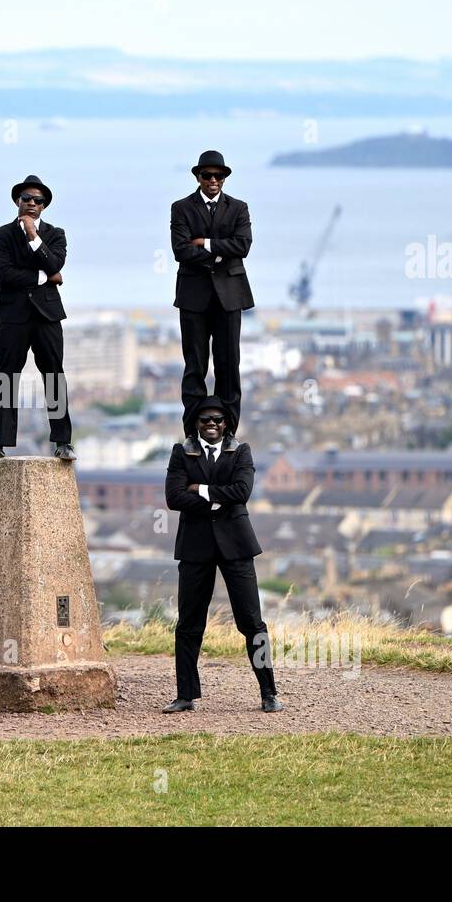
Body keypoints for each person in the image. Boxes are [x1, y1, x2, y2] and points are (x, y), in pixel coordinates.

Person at [161, 396, 282, 713]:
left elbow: (242, 492)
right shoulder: (181, 452)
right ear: (196, 424)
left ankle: (269, 693)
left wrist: (199, 490)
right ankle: (185, 695)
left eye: (217, 419)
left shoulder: (241, 451)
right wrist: (220, 498)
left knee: (252, 622)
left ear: (226, 423)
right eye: (205, 420)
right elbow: (173, 498)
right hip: (195, 547)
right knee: (189, 624)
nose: (211, 424)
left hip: (236, 546)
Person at [0, 174, 75, 464]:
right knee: (6, 378)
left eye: (38, 201)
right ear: (17, 202)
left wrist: (34, 237)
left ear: (44, 207)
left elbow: (55, 263)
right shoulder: (1, 234)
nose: (32, 204)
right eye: (27, 199)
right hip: (12, 315)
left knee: (54, 377)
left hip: (47, 316)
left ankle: (62, 441)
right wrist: (44, 277)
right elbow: (4, 275)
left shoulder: (55, 234)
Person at [169, 150, 253, 456]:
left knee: (229, 365)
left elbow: (243, 245)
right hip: (194, 298)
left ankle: (229, 430)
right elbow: (181, 251)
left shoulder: (239, 208)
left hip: (229, 297)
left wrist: (206, 244)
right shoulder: (181, 208)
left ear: (225, 178)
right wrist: (222, 252)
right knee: (195, 366)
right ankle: (192, 432)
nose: (214, 181)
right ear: (198, 177)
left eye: (219, 176)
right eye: (208, 176)